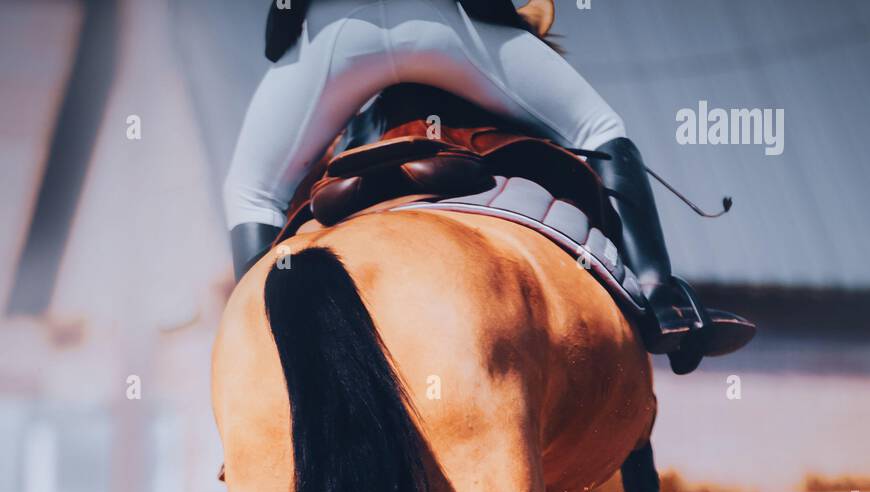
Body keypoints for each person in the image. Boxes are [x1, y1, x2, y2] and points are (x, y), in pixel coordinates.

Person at [224, 0, 753, 370]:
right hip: (441, 22)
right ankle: (660, 296)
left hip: (331, 29)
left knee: (252, 191)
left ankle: (261, 346)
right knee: (599, 128)